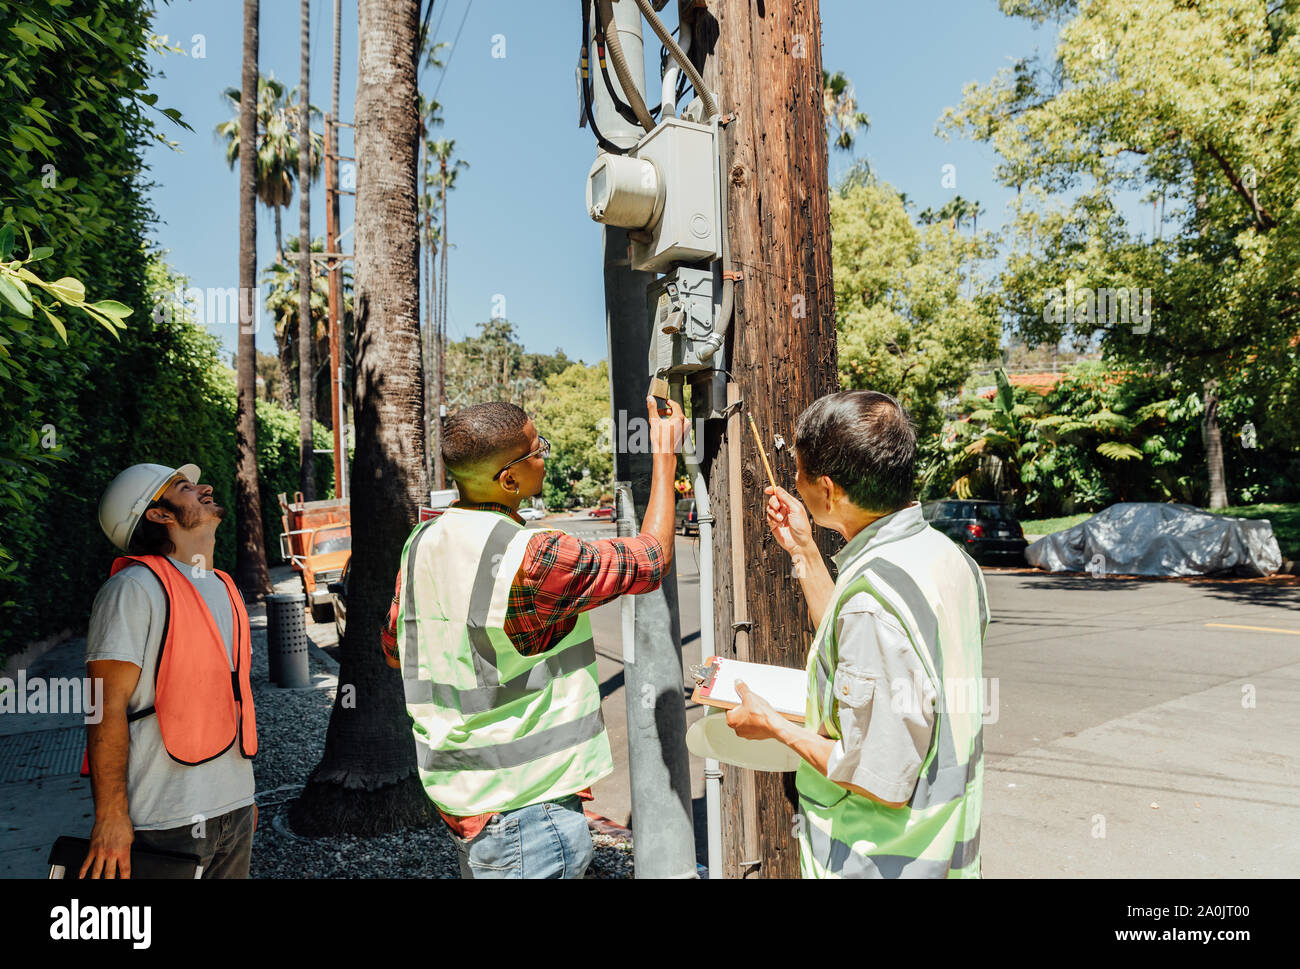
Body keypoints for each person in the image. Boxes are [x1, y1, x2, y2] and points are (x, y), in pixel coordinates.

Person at [383, 396, 689, 878]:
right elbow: (651, 559)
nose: (545, 453)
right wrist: (665, 454)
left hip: (468, 804)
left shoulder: (421, 543)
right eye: (536, 448)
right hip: (528, 811)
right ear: (509, 479)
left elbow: (396, 651)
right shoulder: (533, 555)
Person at [725, 391, 988, 878]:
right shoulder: (947, 559)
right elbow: (862, 647)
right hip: (947, 850)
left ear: (828, 491)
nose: (795, 485)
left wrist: (776, 725)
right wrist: (803, 551)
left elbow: (879, 777)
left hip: (884, 862)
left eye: (800, 474)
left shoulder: (874, 600)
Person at [83, 463, 257, 878]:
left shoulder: (224, 585)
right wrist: (110, 816)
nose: (204, 487)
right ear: (159, 515)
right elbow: (102, 708)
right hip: (165, 818)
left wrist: (243, 798)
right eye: (184, 487)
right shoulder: (131, 590)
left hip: (233, 807)